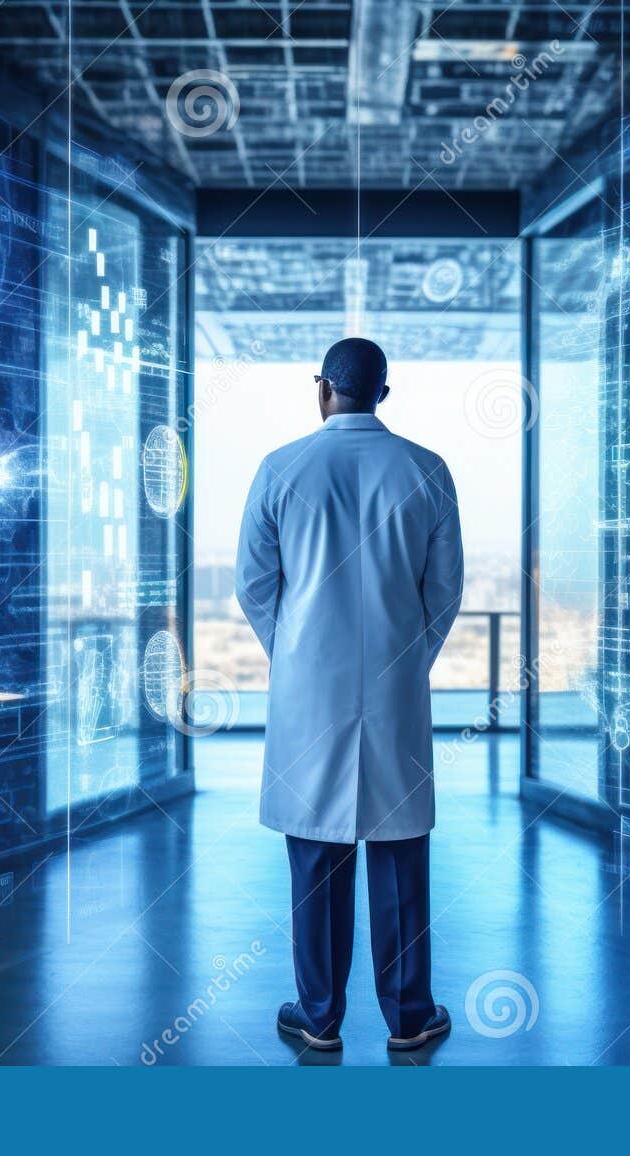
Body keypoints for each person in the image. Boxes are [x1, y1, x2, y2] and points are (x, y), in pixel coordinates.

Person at [235, 337, 464, 1053]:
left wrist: (297, 654)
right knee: (399, 852)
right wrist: (404, 660)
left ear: (321, 388)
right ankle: (410, 1016)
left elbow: (253, 583)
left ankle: (319, 1016)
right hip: (396, 691)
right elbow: (445, 590)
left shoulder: (280, 468)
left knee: (315, 854)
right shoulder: (427, 470)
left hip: (309, 696)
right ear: (383, 395)